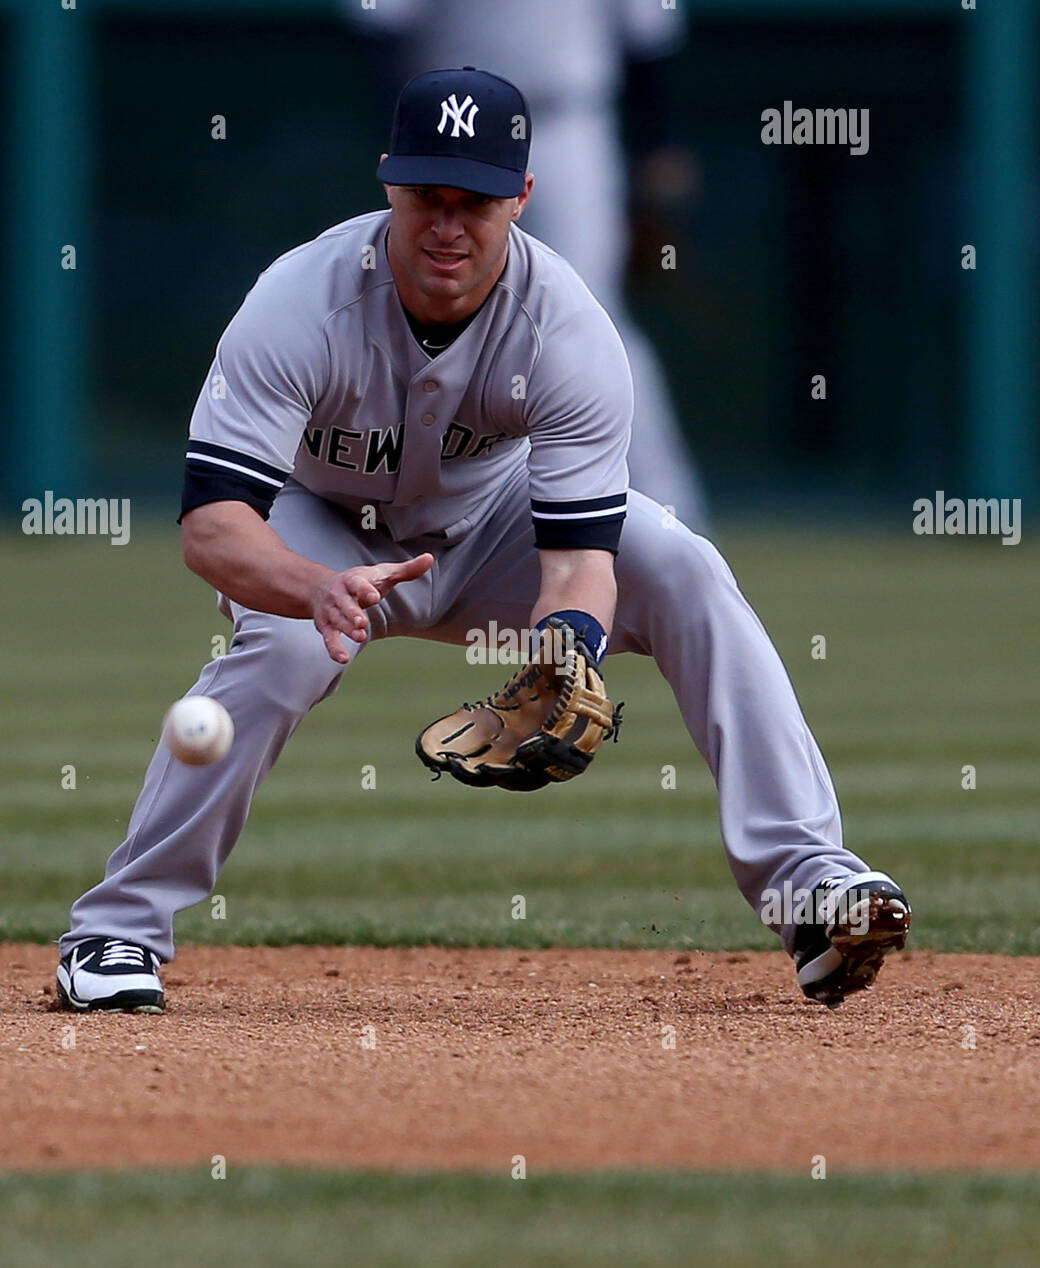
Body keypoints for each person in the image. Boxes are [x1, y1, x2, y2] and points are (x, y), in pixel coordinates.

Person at [57, 69, 909, 1017]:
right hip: (320, 524)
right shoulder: (301, 301)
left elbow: (581, 557)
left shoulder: (569, 329)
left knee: (682, 565)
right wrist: (312, 588)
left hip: (492, 525)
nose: (448, 225)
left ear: (523, 199)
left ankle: (811, 892)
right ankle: (115, 932)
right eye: (428, 196)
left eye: (477, 200)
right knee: (289, 643)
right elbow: (214, 529)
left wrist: (565, 653)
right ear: (388, 183)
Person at [343, 0, 710, 530]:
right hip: (453, 137)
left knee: (595, 322)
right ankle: (400, 508)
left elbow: (649, 33)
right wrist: (404, 149)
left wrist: (658, 147)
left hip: (567, 124)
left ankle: (668, 515)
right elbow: (379, 25)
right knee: (425, 313)